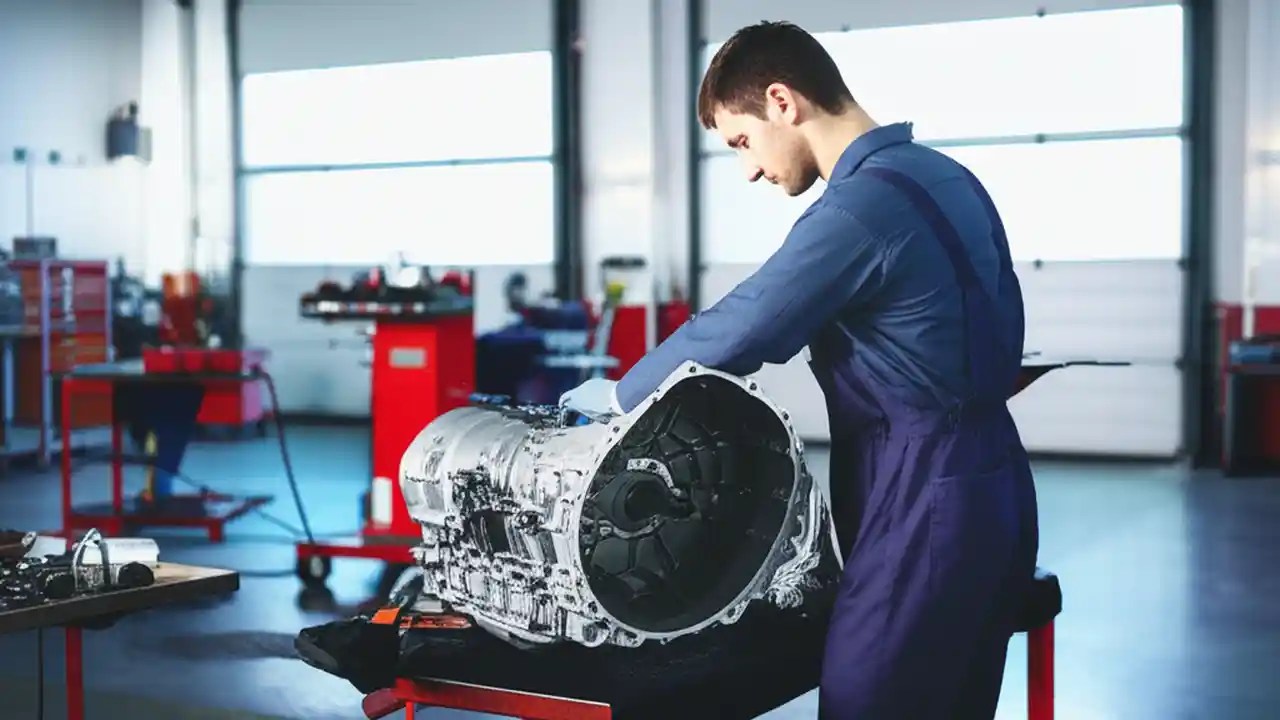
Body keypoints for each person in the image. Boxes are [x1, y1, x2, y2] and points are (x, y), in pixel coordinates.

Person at [559, 20, 1039, 720]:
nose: (749, 167)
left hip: (922, 503)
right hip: (996, 487)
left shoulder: (862, 206)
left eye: (741, 141)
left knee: (864, 703)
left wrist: (622, 392)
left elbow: (748, 320)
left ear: (782, 101)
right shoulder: (948, 176)